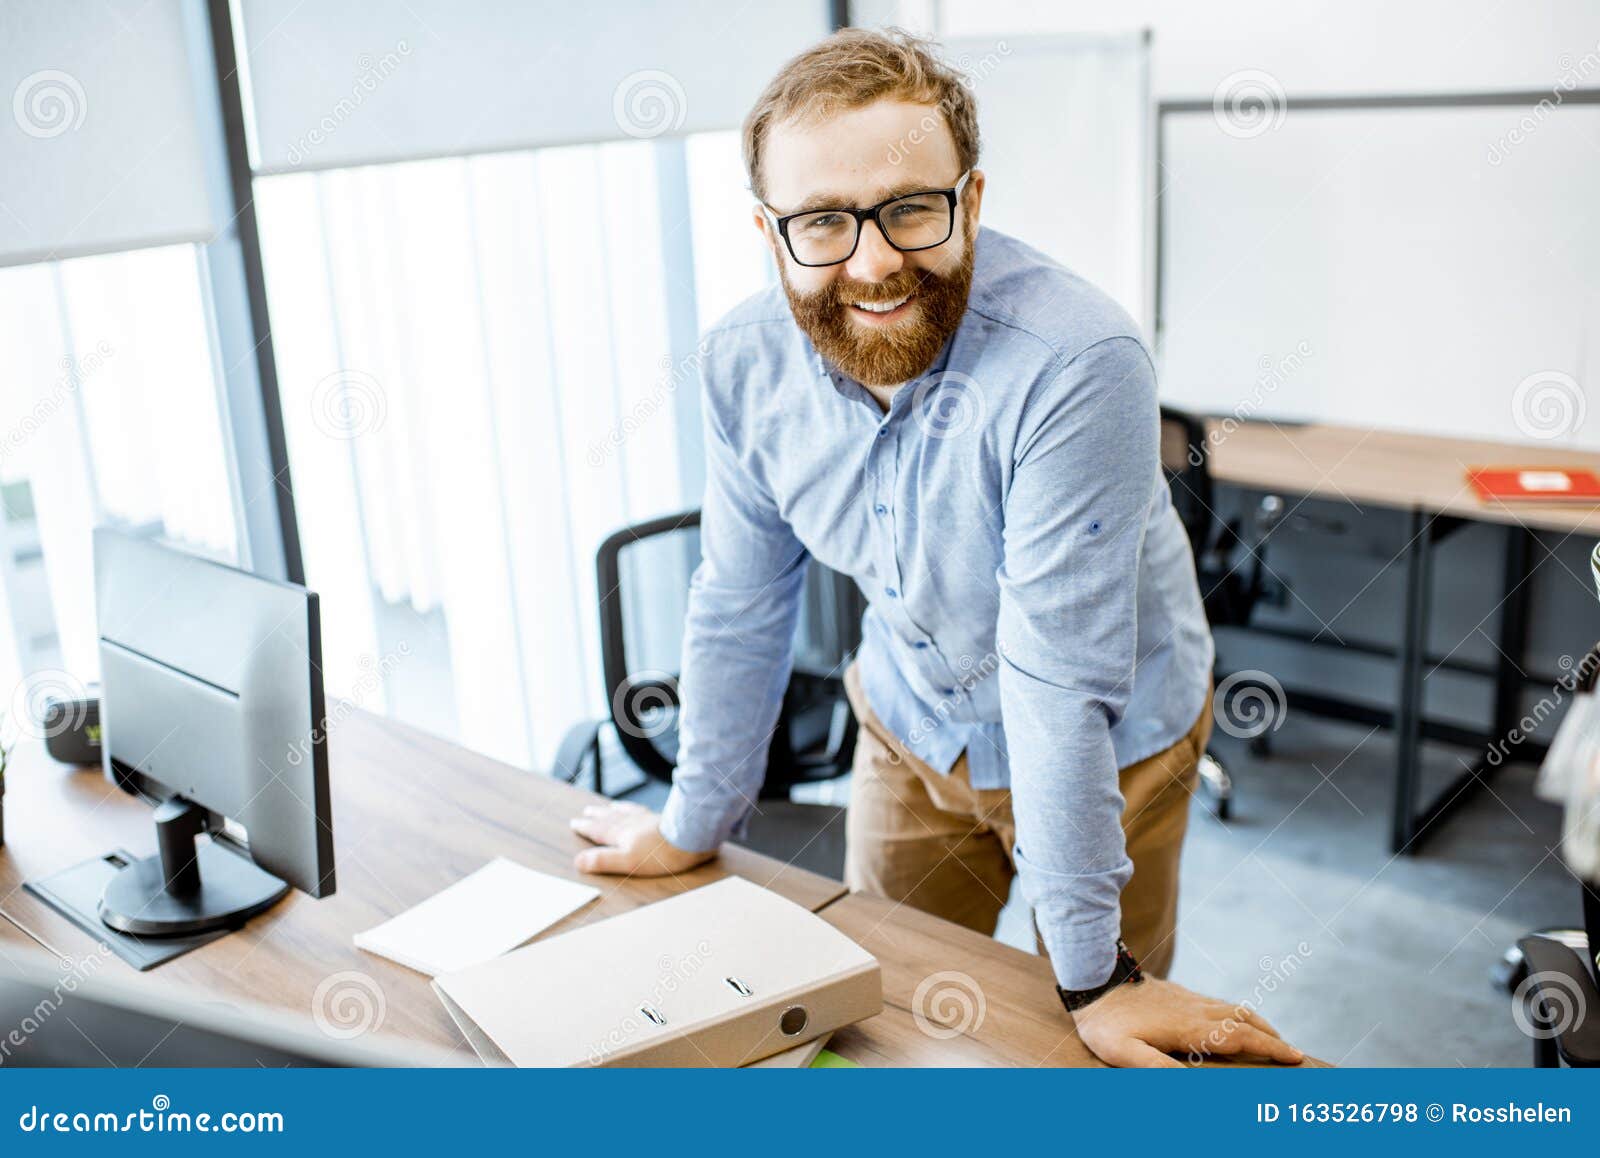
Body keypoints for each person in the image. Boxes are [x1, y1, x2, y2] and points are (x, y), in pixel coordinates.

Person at [571, 27, 1303, 1068]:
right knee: (889, 1021)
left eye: (911, 208)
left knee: (1091, 1051)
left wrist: (1096, 980)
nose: (873, 262)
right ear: (769, 230)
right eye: (822, 220)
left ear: (971, 199)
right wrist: (690, 825)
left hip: (1113, 737)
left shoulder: (1074, 363)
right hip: (912, 723)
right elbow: (739, 602)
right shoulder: (741, 365)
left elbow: (1055, 678)